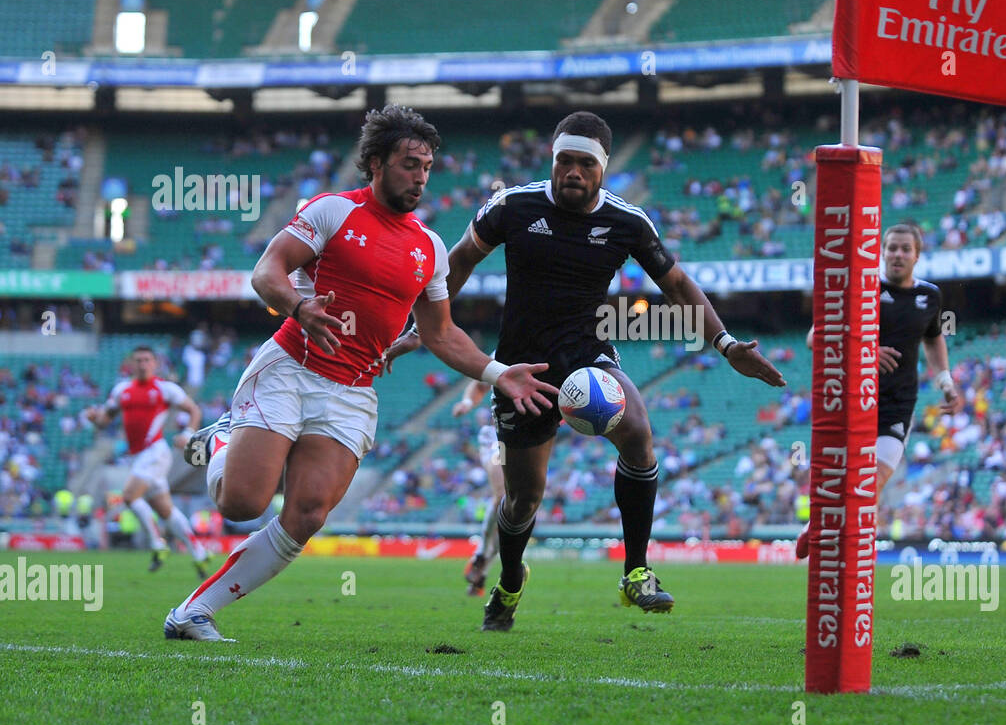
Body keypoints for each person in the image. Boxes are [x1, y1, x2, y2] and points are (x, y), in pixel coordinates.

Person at [162, 104, 557, 642]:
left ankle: (193, 613)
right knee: (242, 504)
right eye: (408, 164)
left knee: (306, 515)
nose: (419, 176)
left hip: (351, 391)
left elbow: (440, 334)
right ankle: (223, 439)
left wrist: (498, 373)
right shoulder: (330, 212)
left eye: (426, 167)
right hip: (291, 368)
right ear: (375, 163)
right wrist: (299, 308)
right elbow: (266, 271)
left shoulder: (430, 248)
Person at [386, 111, 786, 631]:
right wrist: (423, 327)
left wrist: (726, 343)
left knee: (639, 434)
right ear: (552, 161)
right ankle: (509, 582)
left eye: (584, 164)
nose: (572, 172)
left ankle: (637, 571)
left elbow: (679, 286)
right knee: (523, 497)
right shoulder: (512, 206)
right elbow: (458, 261)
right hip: (518, 367)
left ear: (603, 168)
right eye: (564, 162)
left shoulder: (628, 223)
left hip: (590, 356)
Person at [796, 223, 962, 558]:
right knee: (845, 478)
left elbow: (932, 337)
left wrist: (945, 380)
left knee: (872, 483)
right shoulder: (860, 288)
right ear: (881, 251)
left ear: (917, 255)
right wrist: (865, 353)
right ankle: (824, 528)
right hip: (851, 400)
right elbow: (815, 339)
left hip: (897, 404)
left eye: (905, 249)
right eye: (891, 248)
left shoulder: (929, 297)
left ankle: (825, 534)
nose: (897, 254)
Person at [85, 345, 211, 576]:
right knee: (166, 511)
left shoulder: (165, 389)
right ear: (132, 364)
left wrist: (187, 433)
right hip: (138, 456)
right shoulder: (122, 390)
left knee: (129, 497)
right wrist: (95, 419)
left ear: (155, 363)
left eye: (147, 360)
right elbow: (105, 420)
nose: (142, 364)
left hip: (155, 451)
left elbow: (194, 410)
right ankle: (199, 552)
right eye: (138, 360)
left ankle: (157, 544)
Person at [452, 377, 503, 596]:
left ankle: (480, 573)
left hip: (532, 437)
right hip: (498, 436)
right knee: (503, 497)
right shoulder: (503, 352)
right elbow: (479, 384)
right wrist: (467, 403)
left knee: (516, 514)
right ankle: (482, 550)